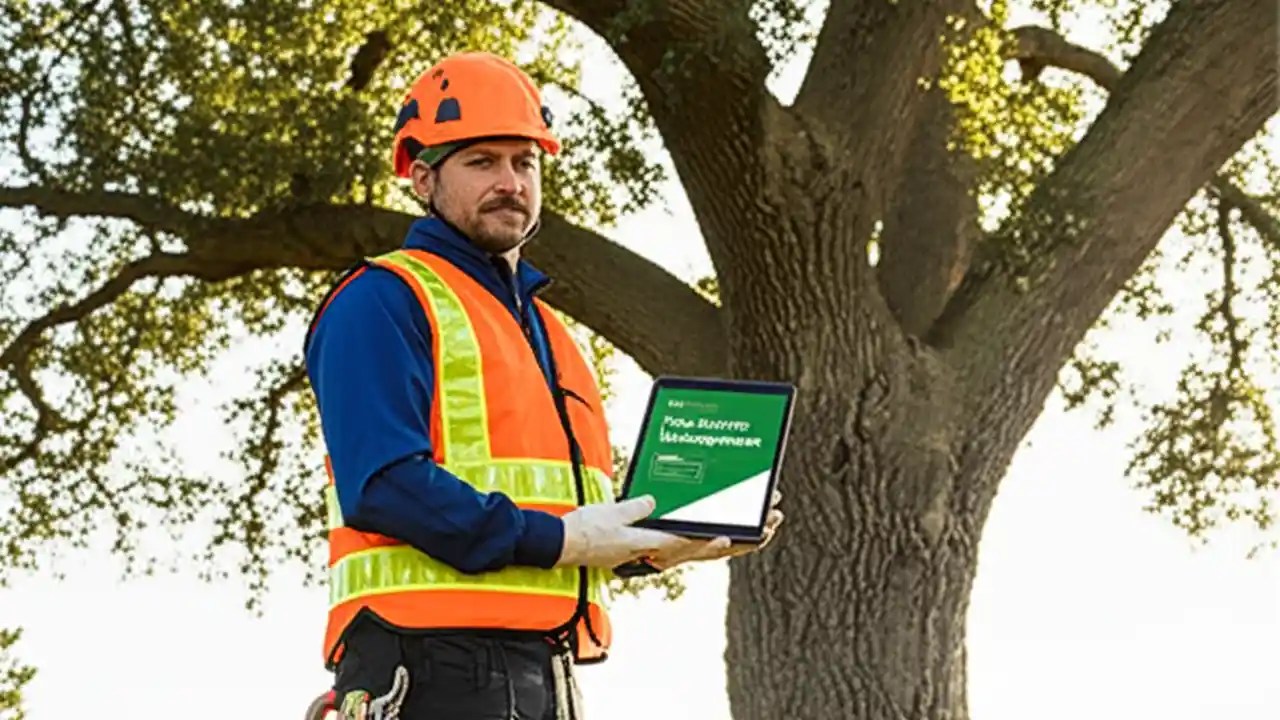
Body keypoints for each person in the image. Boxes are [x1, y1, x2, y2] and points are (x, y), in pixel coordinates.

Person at [302, 50, 783, 720]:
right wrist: (572, 541)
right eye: (481, 161)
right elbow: (384, 486)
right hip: (423, 672)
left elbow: (560, 522)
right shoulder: (381, 299)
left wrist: (654, 547)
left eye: (524, 162)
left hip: (544, 672)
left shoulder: (551, 333)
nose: (510, 181)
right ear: (421, 177)